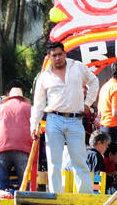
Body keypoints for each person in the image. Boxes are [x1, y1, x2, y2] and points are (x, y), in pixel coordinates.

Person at [30, 40, 99, 195]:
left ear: (65, 54)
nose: (58, 58)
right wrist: (34, 125)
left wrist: (88, 104)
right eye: (54, 55)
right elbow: (38, 104)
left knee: (79, 159)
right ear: (49, 57)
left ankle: (85, 197)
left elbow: (94, 82)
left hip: (75, 119)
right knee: (54, 161)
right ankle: (56, 196)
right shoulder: (44, 77)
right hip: (53, 119)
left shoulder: (77, 67)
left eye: (60, 54)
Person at [0, 85, 33, 192]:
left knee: (1, 188)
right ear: (22, 97)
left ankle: (1, 202)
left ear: (9, 97)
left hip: (1, 149)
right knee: (24, 187)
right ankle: (24, 204)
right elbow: (38, 126)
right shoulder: (30, 109)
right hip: (23, 149)